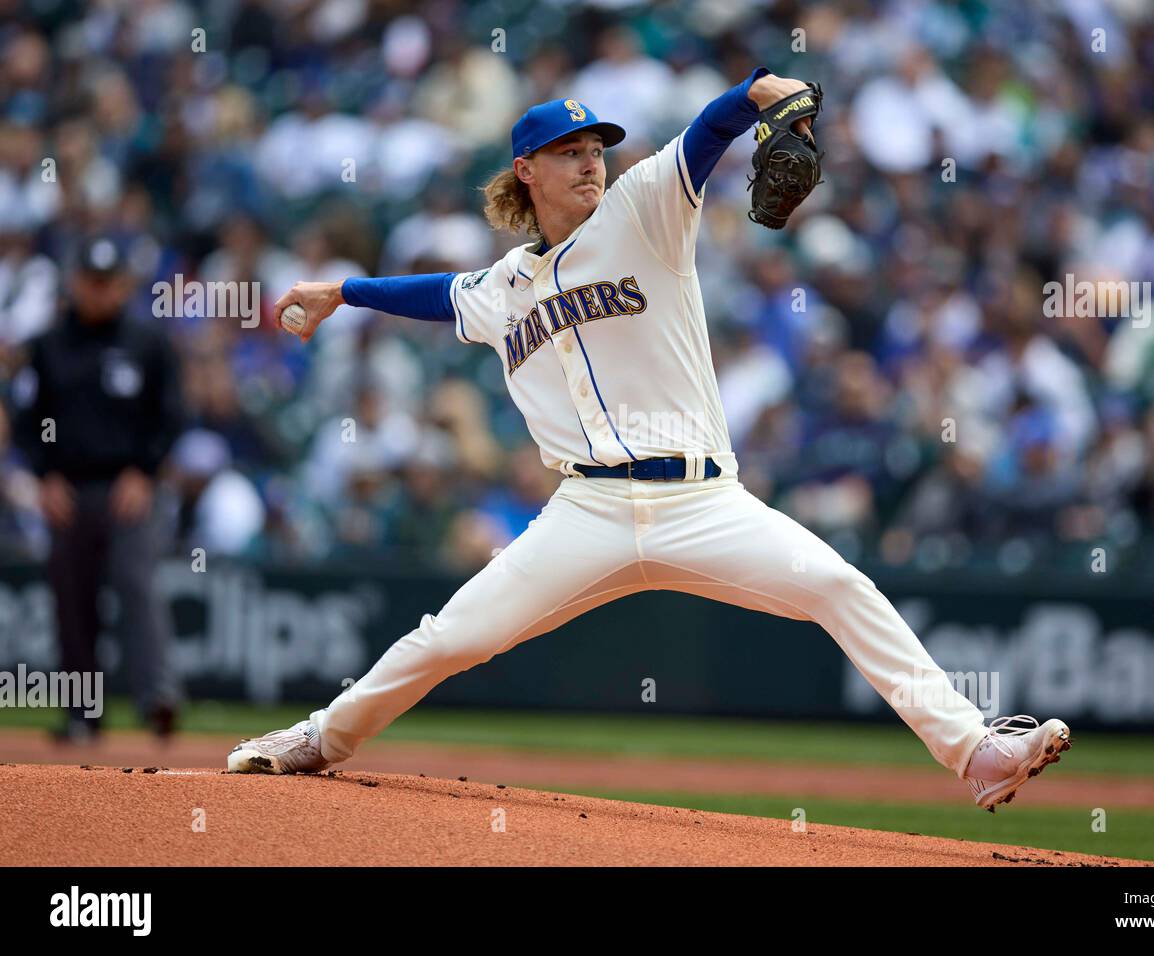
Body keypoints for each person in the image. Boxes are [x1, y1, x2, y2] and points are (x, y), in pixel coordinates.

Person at [228, 70, 1072, 811]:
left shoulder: (644, 209)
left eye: (596, 144)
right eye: (569, 150)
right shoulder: (503, 289)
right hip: (586, 510)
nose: (591, 158)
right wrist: (342, 289)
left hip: (703, 500)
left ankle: (975, 752)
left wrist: (759, 92)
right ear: (527, 170)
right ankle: (321, 739)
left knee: (835, 583)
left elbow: (707, 134)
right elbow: (434, 293)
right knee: (450, 638)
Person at [9, 235, 185, 741]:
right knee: (72, 596)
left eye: (109, 282)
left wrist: (144, 471)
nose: (99, 291)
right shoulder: (47, 346)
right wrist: (44, 477)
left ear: (124, 285)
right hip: (69, 489)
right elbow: (27, 420)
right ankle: (81, 713)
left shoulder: (147, 344)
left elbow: (170, 417)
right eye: (91, 280)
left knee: (136, 583)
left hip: (129, 488)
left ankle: (158, 698)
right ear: (75, 281)